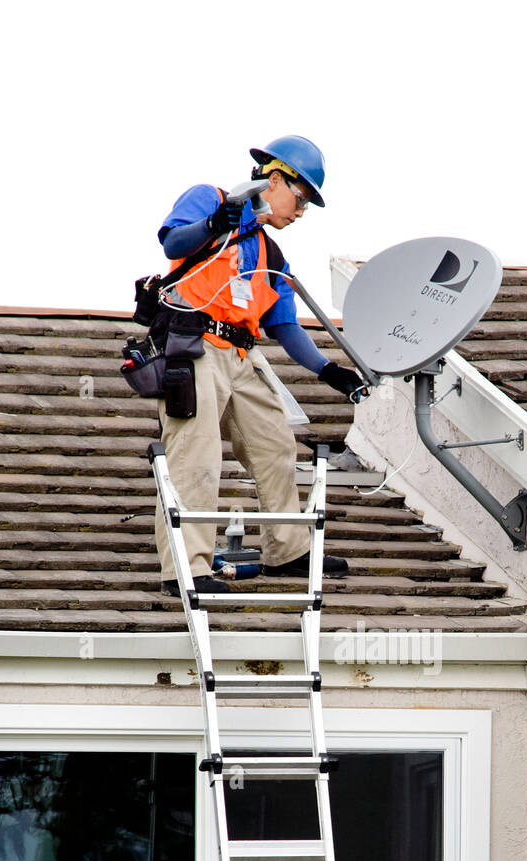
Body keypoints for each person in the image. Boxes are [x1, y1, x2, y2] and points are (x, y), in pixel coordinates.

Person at [153, 135, 363, 597]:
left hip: (243, 355)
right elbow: (173, 243)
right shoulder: (212, 200)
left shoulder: (271, 255)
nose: (302, 210)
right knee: (197, 456)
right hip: (196, 345)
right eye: (302, 197)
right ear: (274, 180)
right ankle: (187, 570)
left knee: (274, 444)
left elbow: (285, 326)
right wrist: (214, 222)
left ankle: (287, 551)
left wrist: (329, 371)